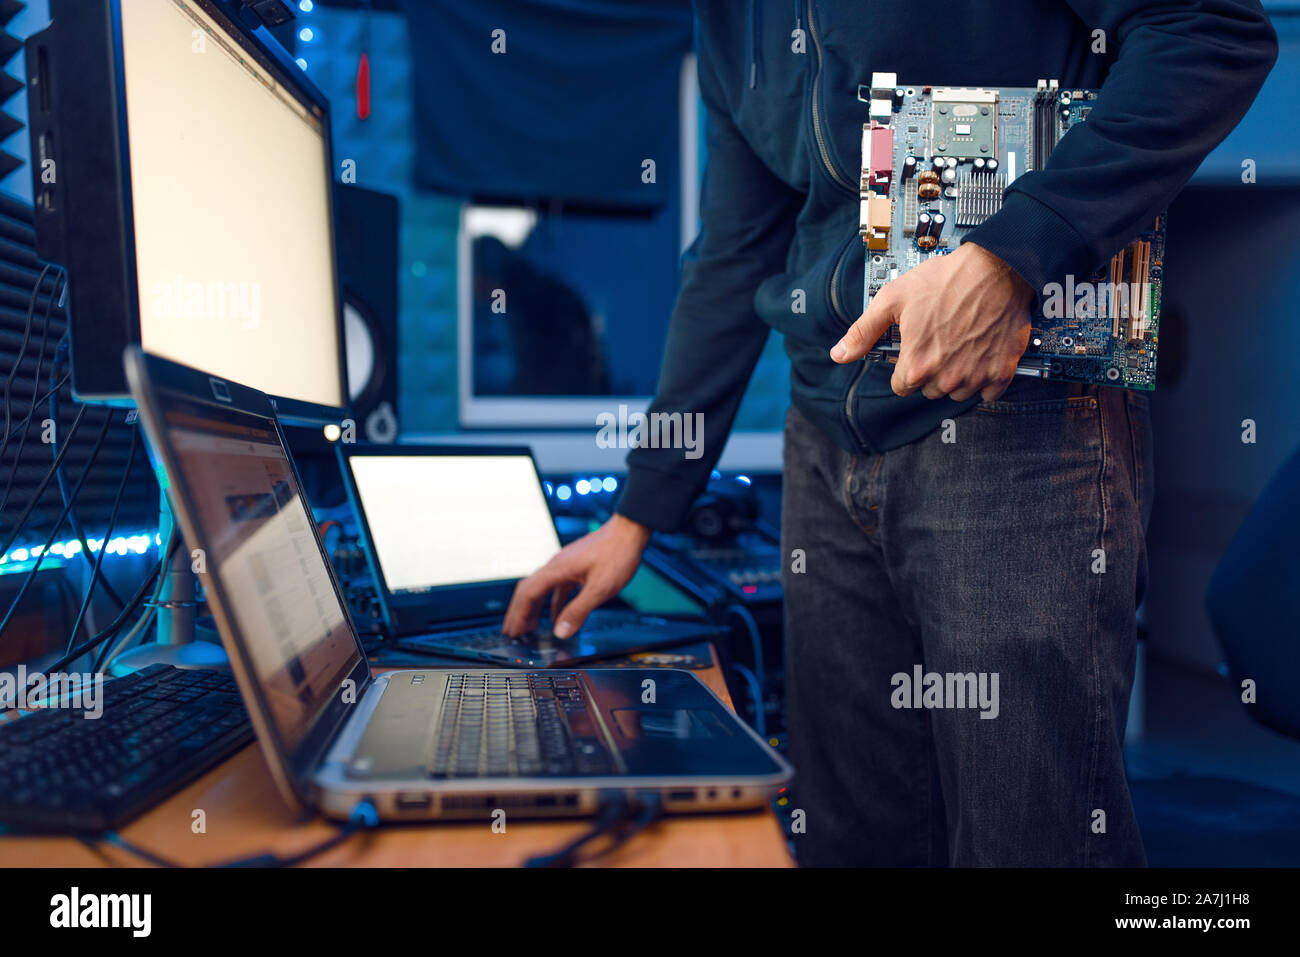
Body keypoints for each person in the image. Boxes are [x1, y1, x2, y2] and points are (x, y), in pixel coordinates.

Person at [503, 1, 1278, 866]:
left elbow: (1212, 33)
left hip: (1017, 423)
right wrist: (638, 512)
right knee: (850, 841)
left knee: (1028, 841)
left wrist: (1012, 256)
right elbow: (732, 252)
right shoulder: (723, 19)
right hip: (823, 441)